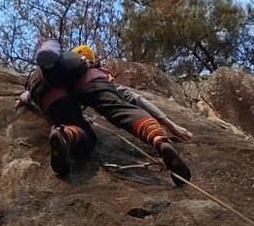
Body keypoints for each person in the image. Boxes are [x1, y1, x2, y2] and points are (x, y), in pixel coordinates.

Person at [19, 39, 193, 184]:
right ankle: (159, 139)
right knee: (121, 110)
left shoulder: (48, 71)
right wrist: (169, 125)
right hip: (89, 81)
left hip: (42, 87)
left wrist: (24, 100)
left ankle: (65, 135)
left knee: (78, 129)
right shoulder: (87, 68)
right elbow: (134, 99)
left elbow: (28, 97)